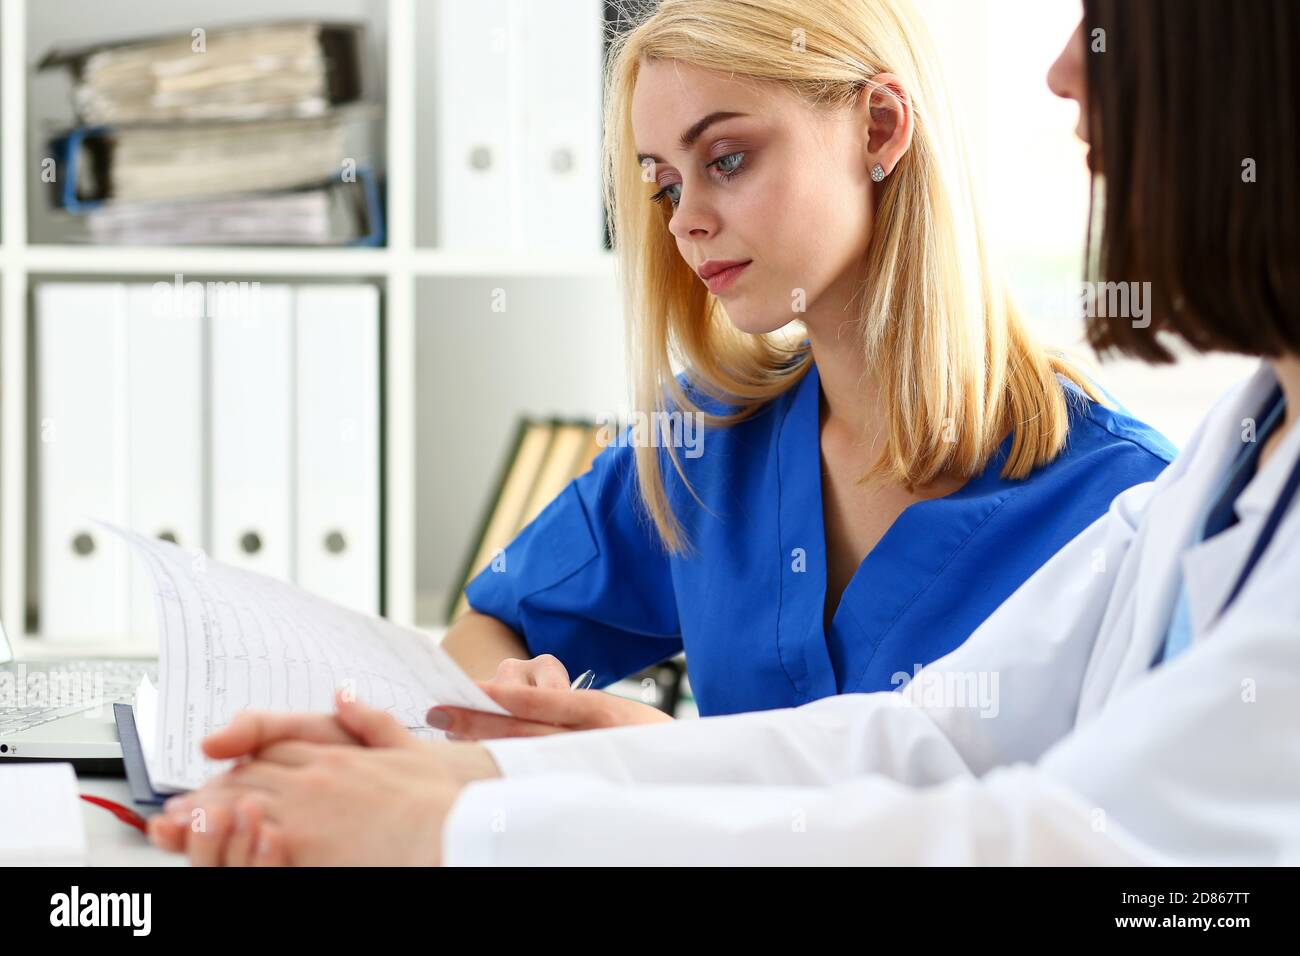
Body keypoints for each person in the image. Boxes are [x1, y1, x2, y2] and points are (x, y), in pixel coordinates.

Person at [150, 0, 1300, 865]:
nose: (1064, 73)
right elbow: (918, 746)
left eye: (728, 157)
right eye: (661, 182)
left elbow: (1036, 837)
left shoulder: (1110, 481)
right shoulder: (1223, 466)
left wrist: (473, 816)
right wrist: (477, 767)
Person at [435, 0, 1171, 729]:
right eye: (665, 184)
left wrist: (668, 768)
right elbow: (487, 628)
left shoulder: (1124, 502)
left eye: (726, 160)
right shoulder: (704, 447)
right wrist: (515, 698)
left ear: (879, 128)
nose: (685, 218)